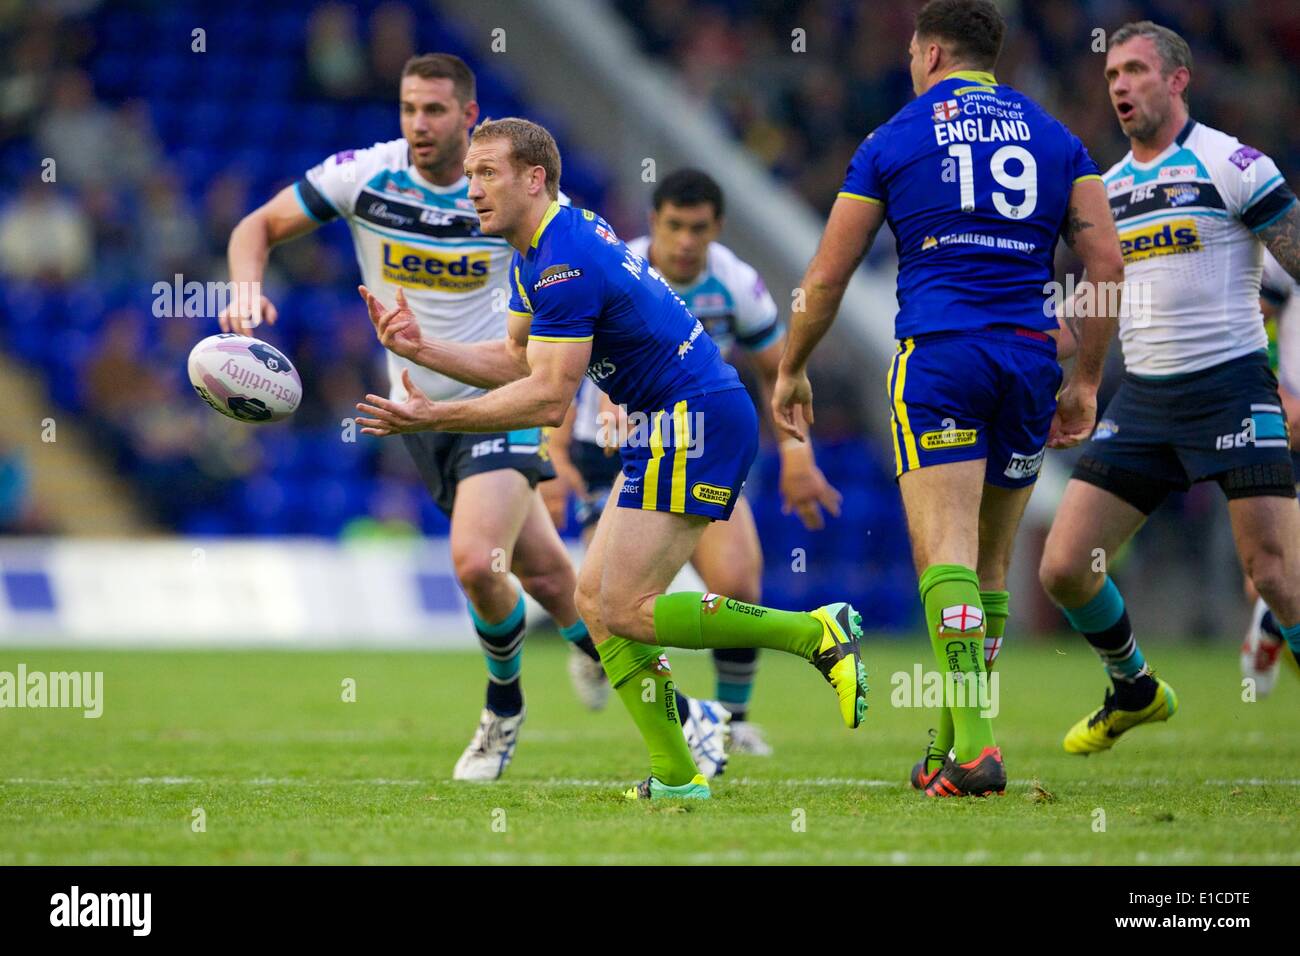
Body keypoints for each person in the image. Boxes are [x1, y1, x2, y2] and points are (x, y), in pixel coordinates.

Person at [354, 117, 869, 800]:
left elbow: (545, 399)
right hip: (675, 419)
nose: (469, 188)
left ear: (534, 179)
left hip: (696, 418)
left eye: (486, 174)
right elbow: (514, 359)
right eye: (469, 174)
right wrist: (421, 350)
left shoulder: (562, 260)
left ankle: (814, 634)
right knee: (595, 603)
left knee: (624, 607)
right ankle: (678, 776)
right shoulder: (537, 250)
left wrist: (433, 413)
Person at [773, 0, 1122, 796]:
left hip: (940, 360)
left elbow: (827, 273)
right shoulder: (1059, 137)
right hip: (1030, 361)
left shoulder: (894, 138)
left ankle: (979, 748)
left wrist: (792, 366)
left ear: (929, 54)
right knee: (990, 568)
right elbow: (1105, 266)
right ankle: (951, 747)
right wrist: (1087, 378)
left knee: (946, 559)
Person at [221, 53, 599, 781]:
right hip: (418, 413)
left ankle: (502, 711)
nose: (419, 124)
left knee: (472, 559)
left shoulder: (505, 194)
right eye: (408, 109)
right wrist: (243, 294)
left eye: (434, 110)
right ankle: (647, 685)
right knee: (548, 578)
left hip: (499, 400)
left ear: (469, 115)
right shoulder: (367, 176)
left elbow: (567, 288)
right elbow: (256, 227)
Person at [1042, 21, 1300, 753]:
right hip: (1147, 402)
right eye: (1111, 75)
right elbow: (1093, 303)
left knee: (1277, 578)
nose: (1119, 85)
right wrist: (1015, 339)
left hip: (1232, 387)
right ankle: (1136, 687)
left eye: (1134, 70)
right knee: (1066, 567)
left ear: (1177, 79)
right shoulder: (1109, 191)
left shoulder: (1233, 164)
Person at [545, 168, 843, 756]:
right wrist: (554, 451)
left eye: (698, 229)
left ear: (717, 229)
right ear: (653, 222)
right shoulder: (614, 262)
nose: (685, 241)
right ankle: (656, 711)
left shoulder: (735, 283)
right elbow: (568, 361)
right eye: (674, 226)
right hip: (608, 446)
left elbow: (779, 370)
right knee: (606, 602)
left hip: (696, 442)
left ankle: (728, 722)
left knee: (734, 579)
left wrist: (797, 454)